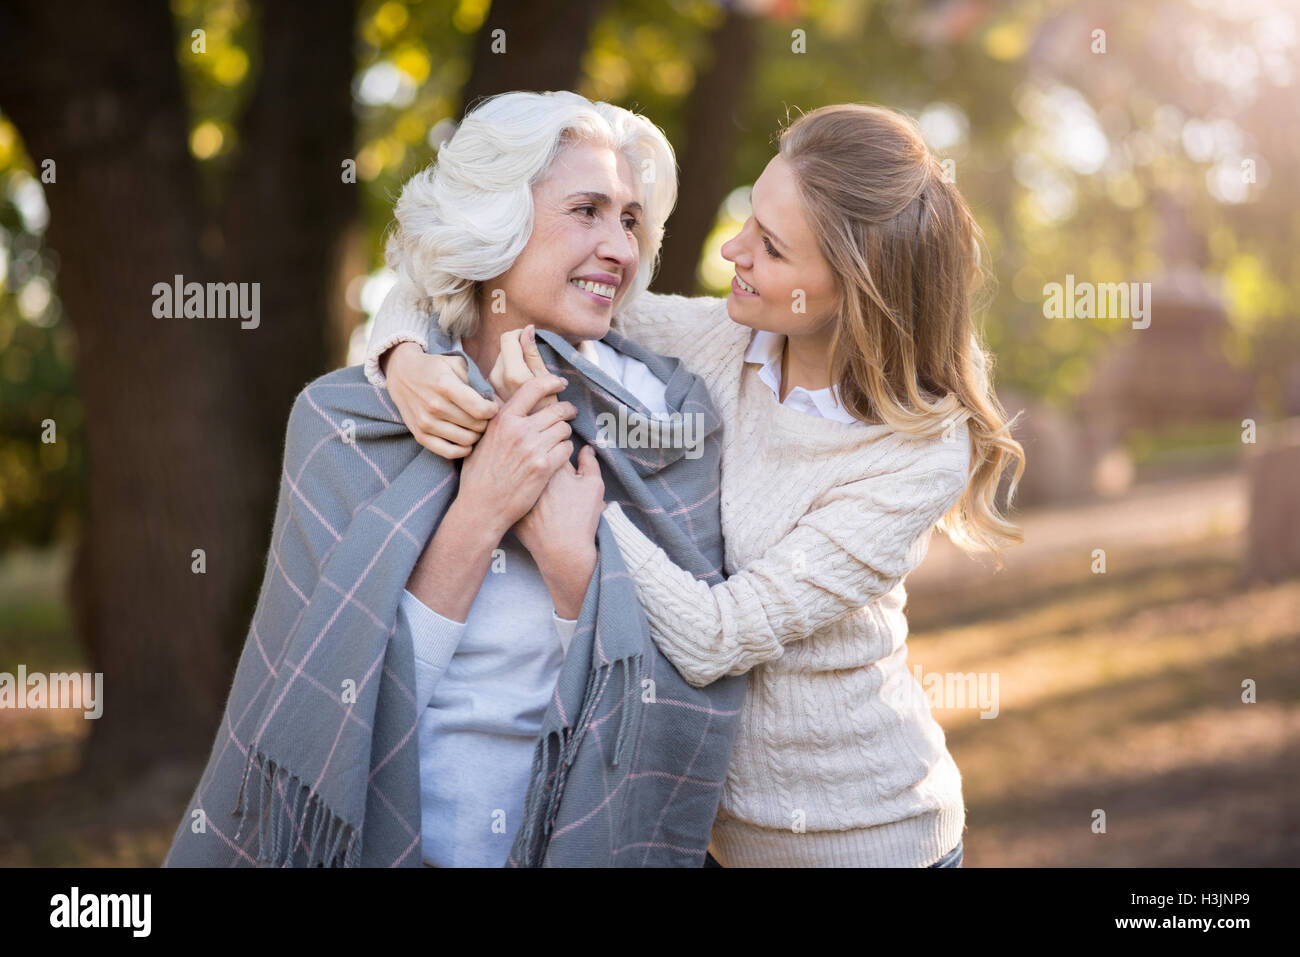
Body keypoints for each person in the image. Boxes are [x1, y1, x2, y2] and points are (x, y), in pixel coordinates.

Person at [366, 102, 1027, 867]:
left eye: (772, 248)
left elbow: (718, 637)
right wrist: (403, 353)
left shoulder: (916, 451)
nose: (734, 250)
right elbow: (505, 270)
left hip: (867, 840)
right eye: (750, 217)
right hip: (712, 837)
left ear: (853, 288)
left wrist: (573, 504)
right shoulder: (728, 340)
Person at [165, 89, 746, 869]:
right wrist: (483, 509)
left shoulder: (669, 424)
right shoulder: (346, 422)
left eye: (631, 220)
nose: (621, 247)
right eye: (587, 210)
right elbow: (329, 693)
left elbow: (683, 699)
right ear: (494, 217)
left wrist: (577, 571)